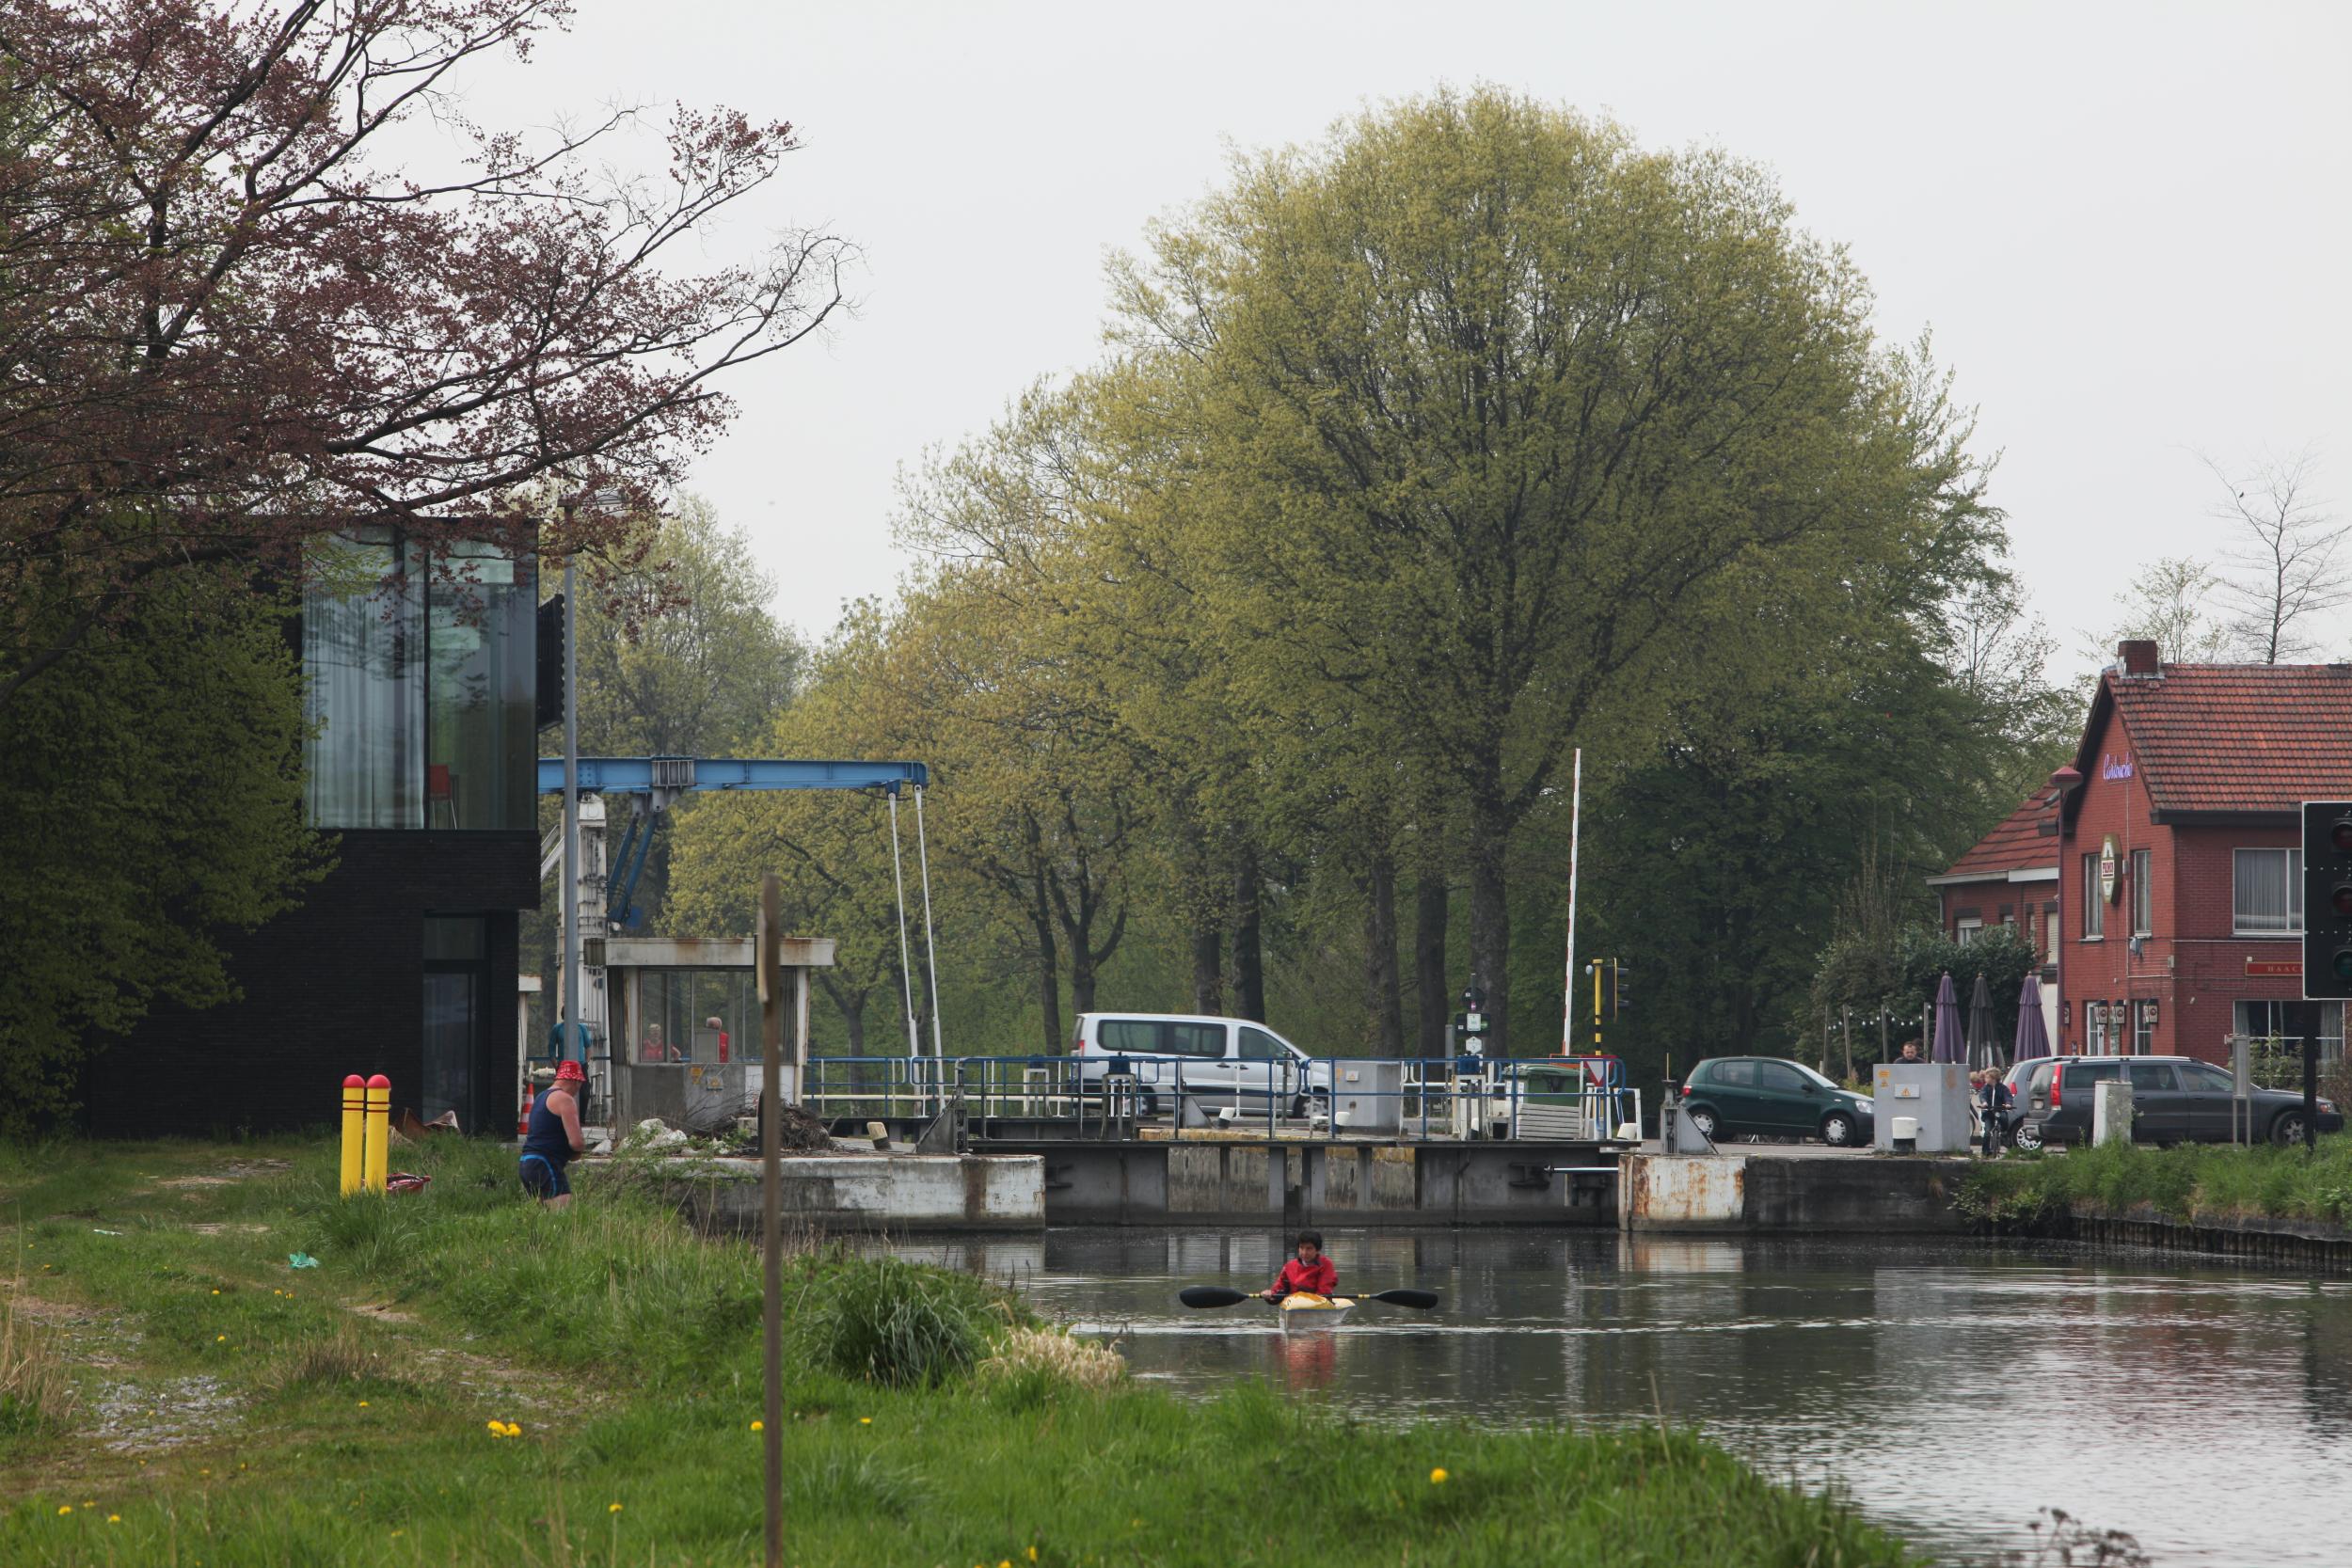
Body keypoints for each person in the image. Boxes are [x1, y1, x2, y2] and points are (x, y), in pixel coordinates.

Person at [519, 1058, 586, 1209]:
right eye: (580, 1084)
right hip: (546, 1164)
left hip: (527, 1163)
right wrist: (581, 1145)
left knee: (542, 1219)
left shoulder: (541, 1097)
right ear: (575, 1081)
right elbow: (576, 1143)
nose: (578, 1090)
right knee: (562, 1215)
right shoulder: (565, 1099)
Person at [1263, 1230, 1338, 1303]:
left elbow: (1324, 1291)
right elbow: (1279, 1289)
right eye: (1301, 1248)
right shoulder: (1289, 1266)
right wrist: (1270, 1294)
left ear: (1317, 1250)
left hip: (1317, 1304)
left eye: (1309, 1248)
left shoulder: (1326, 1264)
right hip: (1294, 1304)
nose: (1304, 1253)